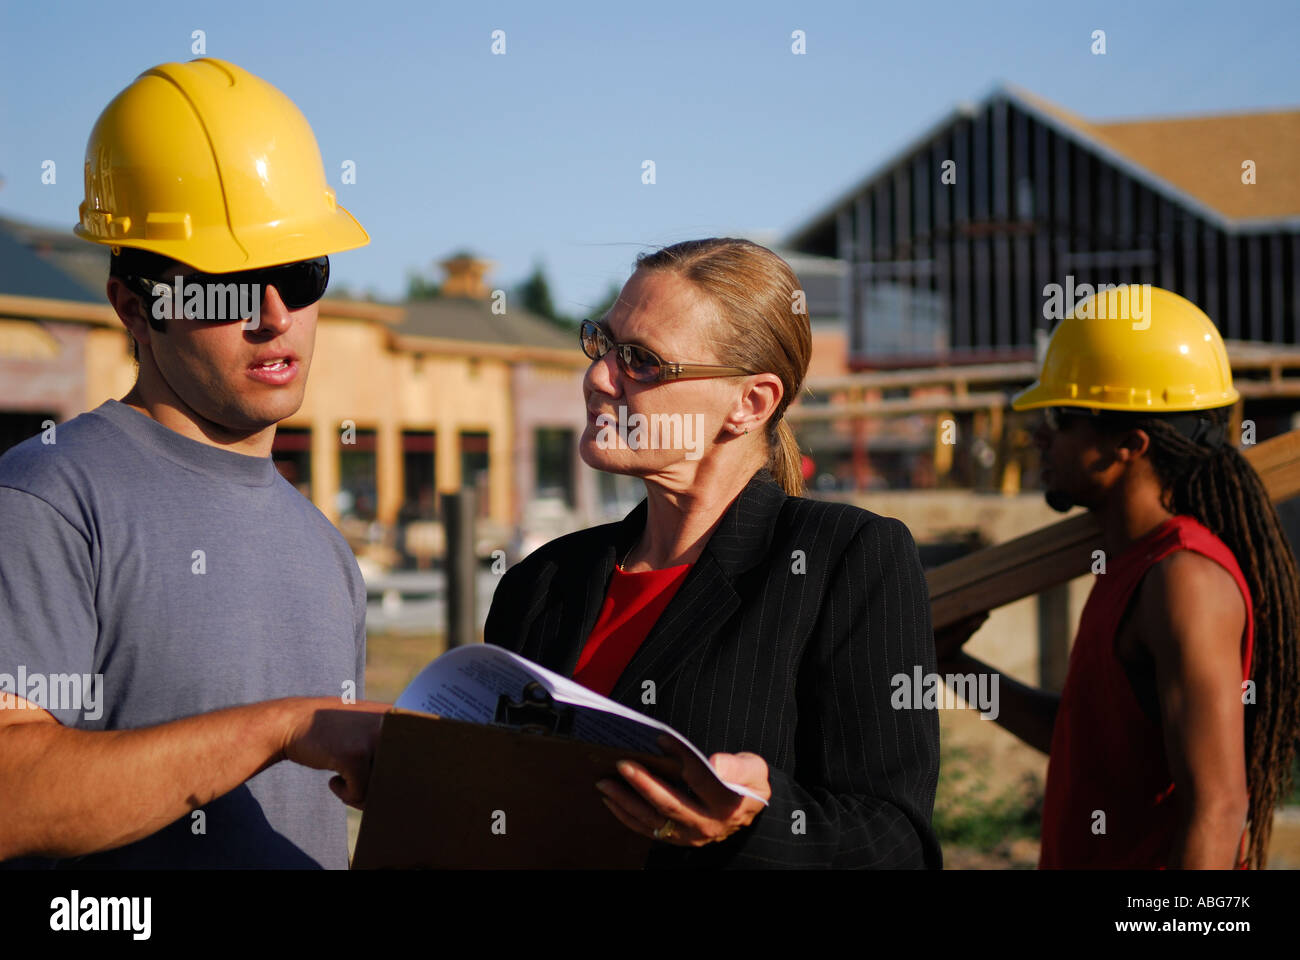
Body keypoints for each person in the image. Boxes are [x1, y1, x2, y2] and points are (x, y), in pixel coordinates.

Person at [0, 58, 390, 868]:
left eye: (297, 271)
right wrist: (281, 730)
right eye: (226, 286)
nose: (274, 315)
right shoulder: (47, 500)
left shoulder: (323, 548)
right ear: (132, 307)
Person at [484, 238, 942, 868]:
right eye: (603, 343)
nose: (597, 377)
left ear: (750, 403)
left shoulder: (846, 561)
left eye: (641, 361)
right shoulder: (541, 582)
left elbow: (897, 843)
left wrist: (758, 822)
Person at [937, 286, 1300, 869]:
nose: (1038, 435)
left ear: (1131, 443)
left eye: (1061, 417)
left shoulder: (1184, 580)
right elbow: (1085, 741)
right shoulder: (1129, 562)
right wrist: (952, 663)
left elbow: (1218, 806)